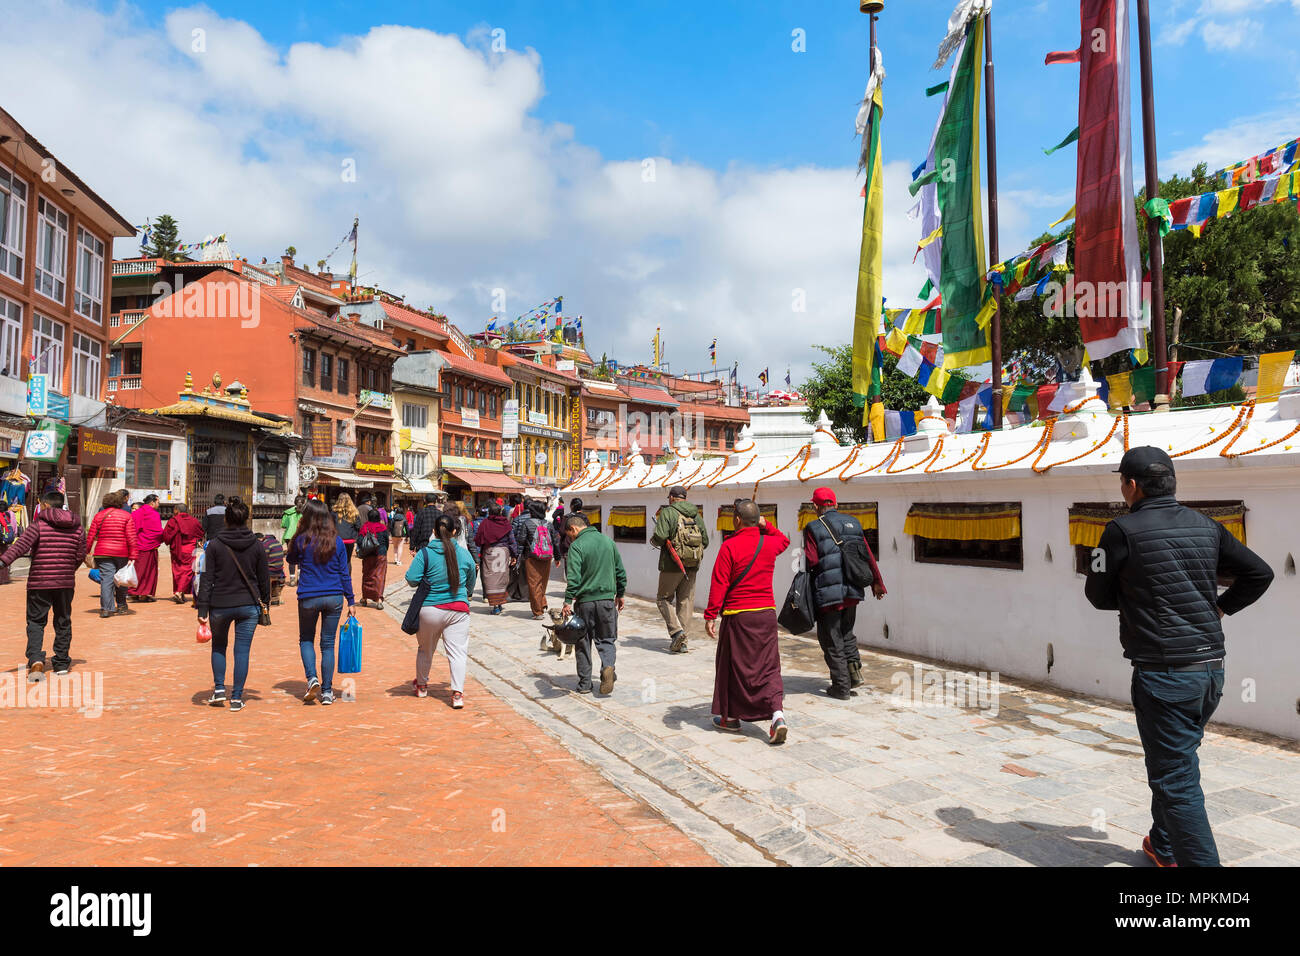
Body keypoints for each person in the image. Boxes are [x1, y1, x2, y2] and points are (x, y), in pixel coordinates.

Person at [1085, 447, 1273, 868]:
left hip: (1163, 675)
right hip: (1210, 673)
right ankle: (1163, 847)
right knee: (1177, 765)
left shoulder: (1120, 530)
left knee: (1176, 781)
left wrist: (1137, 596)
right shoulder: (1206, 525)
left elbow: (1097, 595)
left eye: (1122, 482)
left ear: (1131, 486)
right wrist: (1221, 607)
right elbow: (1260, 573)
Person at [703, 499, 790, 744]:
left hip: (738, 615)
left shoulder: (729, 546)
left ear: (737, 520)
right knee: (769, 667)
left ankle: (730, 718)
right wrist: (766, 524)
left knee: (732, 667)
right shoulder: (769, 542)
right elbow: (784, 540)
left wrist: (711, 614)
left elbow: (719, 582)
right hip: (766, 615)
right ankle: (777, 716)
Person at [804, 487, 886, 699]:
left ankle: (841, 687)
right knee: (847, 632)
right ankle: (854, 674)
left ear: (815, 506)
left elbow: (812, 561)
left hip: (829, 593)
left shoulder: (813, 527)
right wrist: (877, 583)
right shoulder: (854, 523)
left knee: (831, 638)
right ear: (836, 504)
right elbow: (867, 554)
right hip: (852, 589)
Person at [0, 489, 86, 680]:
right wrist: (68, 570)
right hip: (65, 582)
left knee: (36, 621)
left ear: (45, 505)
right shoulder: (77, 527)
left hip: (39, 582)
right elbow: (81, 554)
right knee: (63, 620)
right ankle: (62, 663)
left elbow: (20, 546)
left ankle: (36, 661)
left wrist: (3, 562)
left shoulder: (38, 524)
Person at [197, 497, 270, 712]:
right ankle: (237, 697)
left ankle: (219, 689)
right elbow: (264, 578)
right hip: (249, 605)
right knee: (242, 651)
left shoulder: (215, 545)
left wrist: (202, 609)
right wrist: (265, 603)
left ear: (226, 520)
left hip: (220, 604)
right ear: (247, 519)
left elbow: (207, 579)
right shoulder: (257, 545)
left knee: (219, 646)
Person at [287, 498, 356, 706]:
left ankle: (312, 678)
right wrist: (351, 600)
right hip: (334, 597)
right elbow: (345, 572)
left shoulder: (302, 540)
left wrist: (299, 532)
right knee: (327, 644)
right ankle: (327, 691)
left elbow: (290, 560)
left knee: (306, 639)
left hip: (308, 595)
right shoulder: (336, 541)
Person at [406, 513, 477, 709]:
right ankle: (457, 695)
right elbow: (472, 576)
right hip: (459, 610)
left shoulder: (425, 553)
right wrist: (467, 593)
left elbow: (411, 578)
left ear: (434, 531)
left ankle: (421, 686)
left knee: (425, 649)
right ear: (455, 531)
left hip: (430, 610)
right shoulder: (463, 554)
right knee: (458, 654)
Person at [560, 512, 626, 696]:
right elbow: (620, 571)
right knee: (606, 639)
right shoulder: (608, 542)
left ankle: (584, 684)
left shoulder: (576, 546)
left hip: (584, 603)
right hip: (606, 601)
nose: (570, 538)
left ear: (573, 528)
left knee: (583, 642)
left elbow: (573, 577)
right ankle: (608, 666)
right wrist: (620, 594)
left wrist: (567, 601)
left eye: (569, 534)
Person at [650, 485, 709, 654]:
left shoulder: (668, 512)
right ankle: (683, 643)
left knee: (663, 598)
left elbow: (661, 536)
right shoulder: (696, 514)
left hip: (672, 564)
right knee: (686, 601)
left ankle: (677, 632)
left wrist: (655, 540)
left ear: (671, 498)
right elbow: (705, 540)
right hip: (693, 565)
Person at [85, 489, 138, 618]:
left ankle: (106, 609)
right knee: (121, 579)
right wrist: (133, 556)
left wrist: (85, 551)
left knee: (106, 580)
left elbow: (91, 535)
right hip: (122, 552)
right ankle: (121, 605)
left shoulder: (99, 516)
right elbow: (131, 537)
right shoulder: (126, 516)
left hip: (102, 552)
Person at [512, 497, 554, 619]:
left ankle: (537, 612)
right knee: (542, 583)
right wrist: (556, 557)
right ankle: (542, 603)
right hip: (547, 558)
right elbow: (555, 541)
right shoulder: (549, 524)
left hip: (532, 558)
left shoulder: (527, 523)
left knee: (534, 584)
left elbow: (521, 541)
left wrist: (518, 556)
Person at [473, 502, 518, 614]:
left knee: (491, 578)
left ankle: (496, 606)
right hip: (503, 552)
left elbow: (478, 539)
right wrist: (514, 555)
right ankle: (500, 603)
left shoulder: (485, 523)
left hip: (489, 552)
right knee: (502, 577)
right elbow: (512, 541)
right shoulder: (506, 523)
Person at [160, 505, 204, 604]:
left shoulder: (173, 521)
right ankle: (180, 592)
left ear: (176, 510)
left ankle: (179, 591)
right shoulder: (193, 520)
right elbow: (200, 532)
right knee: (187, 571)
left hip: (176, 549)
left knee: (177, 570)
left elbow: (166, 535)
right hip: (189, 549)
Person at [128, 494, 164, 602]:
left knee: (137, 570)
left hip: (138, 546)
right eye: (158, 502)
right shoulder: (154, 514)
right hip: (149, 547)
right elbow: (158, 532)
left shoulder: (137, 513)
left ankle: (133, 593)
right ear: (152, 503)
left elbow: (132, 529)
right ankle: (144, 594)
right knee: (148, 572)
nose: (159, 504)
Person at [357, 507, 390, 609]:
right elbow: (386, 542)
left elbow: (359, 541)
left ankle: (364, 598)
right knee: (379, 576)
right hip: (381, 554)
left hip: (368, 555)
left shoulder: (364, 527)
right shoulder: (383, 528)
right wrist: (384, 551)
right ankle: (379, 600)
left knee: (367, 575)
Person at [254, 532, 286, 605]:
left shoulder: (265, 544)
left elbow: (262, 559)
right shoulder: (277, 542)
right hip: (280, 571)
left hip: (271, 571)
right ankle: (275, 596)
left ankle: (264, 598)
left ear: (259, 539)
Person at [280, 496, 304, 583]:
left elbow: (283, 525)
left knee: (291, 556)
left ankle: (292, 579)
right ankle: (299, 579)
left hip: (289, 537)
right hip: (301, 536)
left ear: (294, 502)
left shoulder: (287, 512)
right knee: (301, 556)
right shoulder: (305, 513)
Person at [333, 493, 361, 563]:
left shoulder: (334, 512)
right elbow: (358, 526)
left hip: (337, 539)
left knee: (337, 561)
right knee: (347, 561)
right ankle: (347, 574)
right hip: (350, 539)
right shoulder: (354, 513)